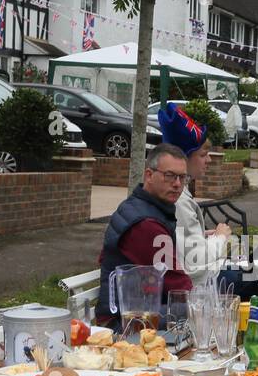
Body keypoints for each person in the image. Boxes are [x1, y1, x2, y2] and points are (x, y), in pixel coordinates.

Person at [95, 144, 194, 326]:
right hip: (120, 323)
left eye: (183, 177)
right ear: (149, 175)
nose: (177, 184)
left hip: (130, 307)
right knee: (196, 308)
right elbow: (180, 288)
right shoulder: (146, 225)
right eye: (170, 176)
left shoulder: (138, 206)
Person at [158, 103, 230, 286]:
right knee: (257, 272)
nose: (209, 159)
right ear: (183, 158)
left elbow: (181, 243)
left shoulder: (177, 194)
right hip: (195, 289)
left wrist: (201, 235)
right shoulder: (177, 198)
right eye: (203, 154)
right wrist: (221, 238)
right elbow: (195, 264)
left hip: (191, 281)